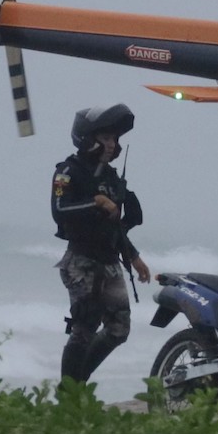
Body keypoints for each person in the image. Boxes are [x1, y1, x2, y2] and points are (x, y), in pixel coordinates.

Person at [51, 103, 150, 385]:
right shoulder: (68, 171)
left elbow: (116, 225)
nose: (111, 145)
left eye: (114, 139)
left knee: (119, 329)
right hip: (81, 261)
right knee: (84, 325)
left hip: (110, 261)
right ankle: (69, 395)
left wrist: (134, 257)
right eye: (105, 138)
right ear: (87, 138)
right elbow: (60, 210)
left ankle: (79, 380)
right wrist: (94, 202)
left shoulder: (110, 177)